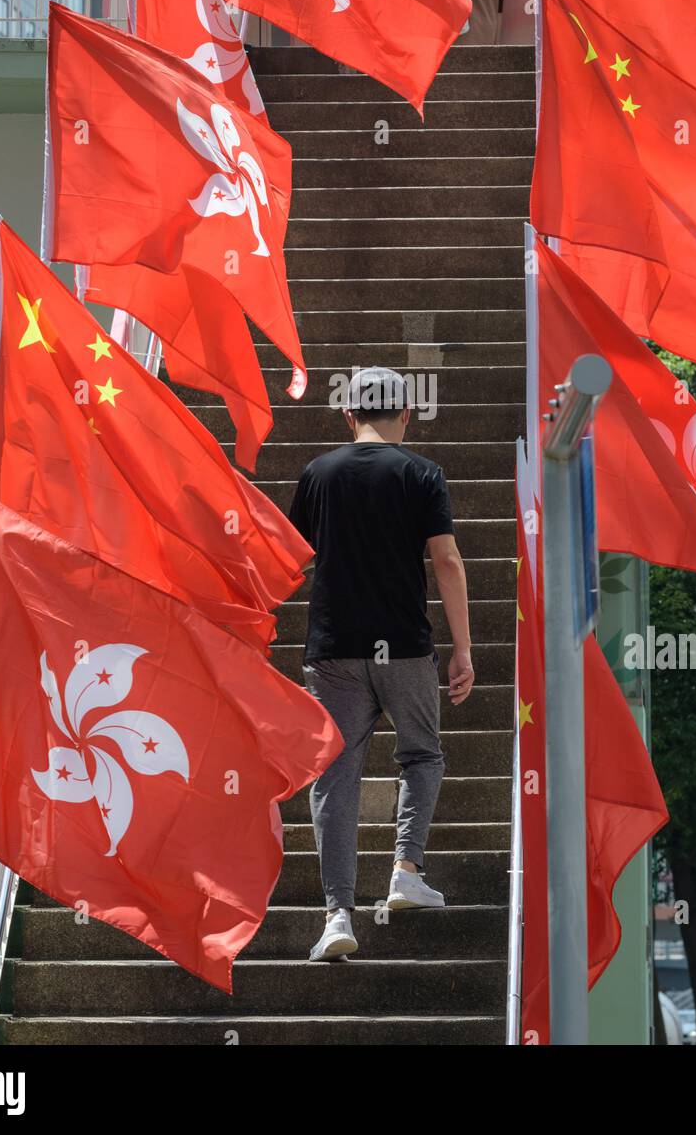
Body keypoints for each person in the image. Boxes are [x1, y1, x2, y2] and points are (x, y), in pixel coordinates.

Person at [288, 366, 474, 962]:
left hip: (333, 650)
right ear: (406, 415)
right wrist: (463, 647)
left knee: (335, 777)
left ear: (347, 416)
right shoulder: (421, 473)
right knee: (420, 754)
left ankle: (337, 914)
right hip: (405, 647)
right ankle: (404, 870)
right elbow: (445, 559)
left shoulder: (318, 474)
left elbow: (291, 558)